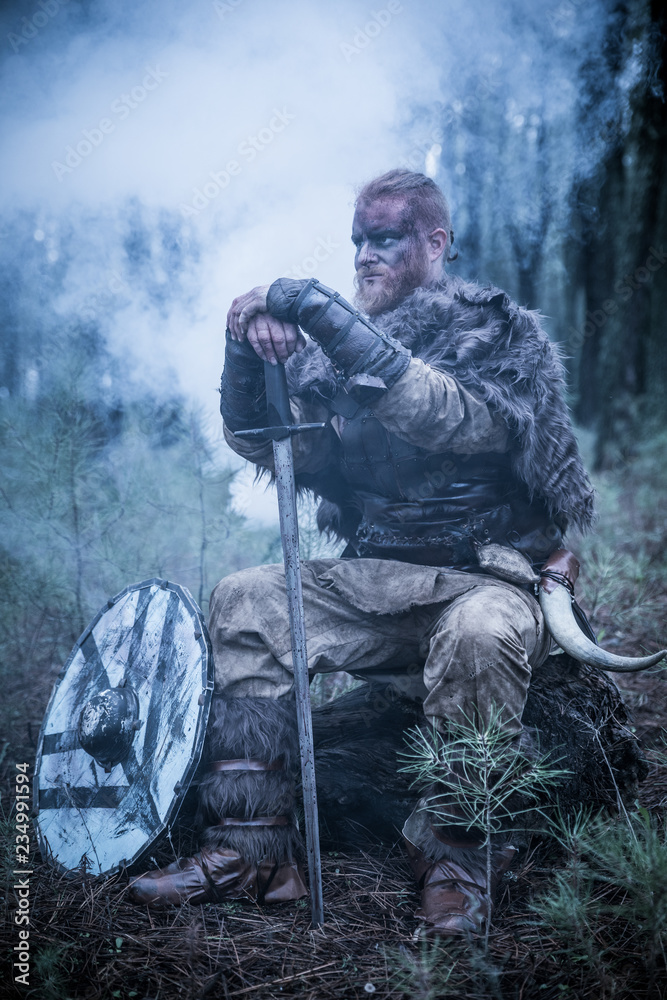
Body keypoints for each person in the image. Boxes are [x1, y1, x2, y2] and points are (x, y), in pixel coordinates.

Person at [129, 169, 595, 934]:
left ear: (435, 242)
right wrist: (246, 349)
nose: (366, 256)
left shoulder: (497, 331)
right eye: (358, 242)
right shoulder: (333, 352)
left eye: (386, 239)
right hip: (375, 579)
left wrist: (313, 307)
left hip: (485, 577)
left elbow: (446, 418)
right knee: (246, 599)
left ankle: (457, 858)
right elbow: (272, 444)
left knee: (480, 632)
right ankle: (251, 850)